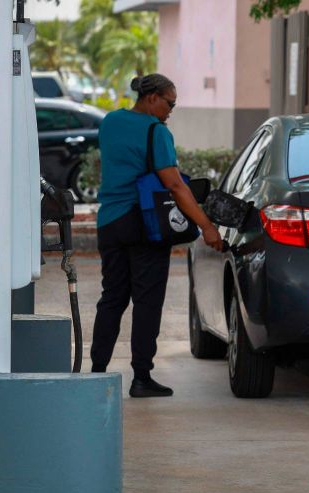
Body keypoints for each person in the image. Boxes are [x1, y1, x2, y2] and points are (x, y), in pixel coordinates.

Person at [90, 74, 223, 398]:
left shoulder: (110, 121)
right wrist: (206, 225)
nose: (171, 110)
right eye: (170, 103)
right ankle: (141, 377)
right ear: (152, 98)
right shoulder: (156, 132)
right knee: (147, 302)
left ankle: (95, 374)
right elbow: (175, 185)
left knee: (112, 298)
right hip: (144, 224)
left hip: (110, 222)